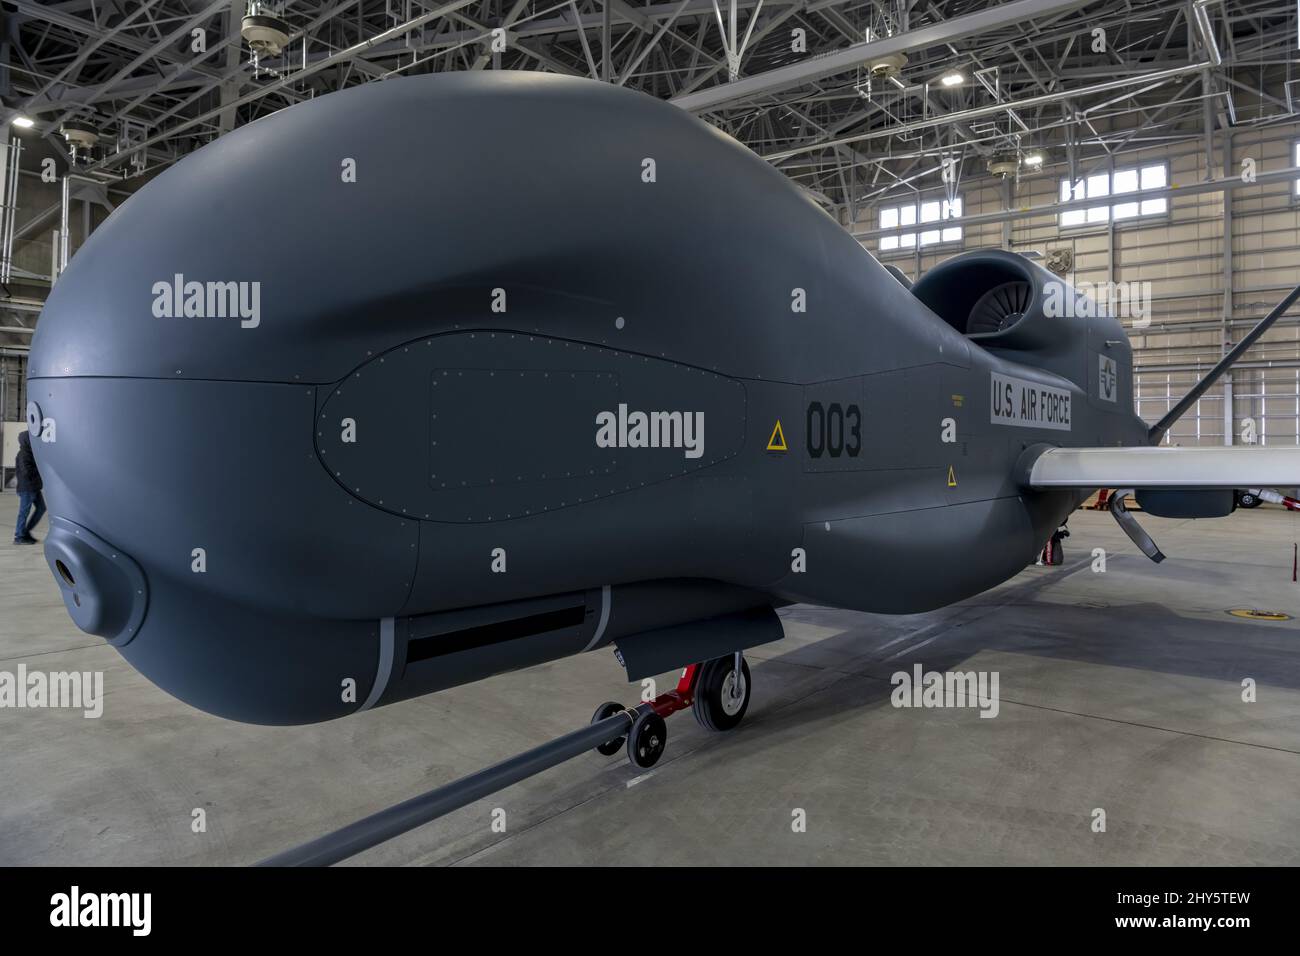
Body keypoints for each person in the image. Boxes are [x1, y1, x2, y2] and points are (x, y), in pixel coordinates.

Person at [13, 430, 45, 545]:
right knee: (24, 512)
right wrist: (40, 471)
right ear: (27, 440)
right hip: (27, 488)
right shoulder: (24, 454)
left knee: (41, 508)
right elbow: (27, 471)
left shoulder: (31, 452)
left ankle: (25, 532)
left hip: (33, 486)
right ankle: (19, 536)